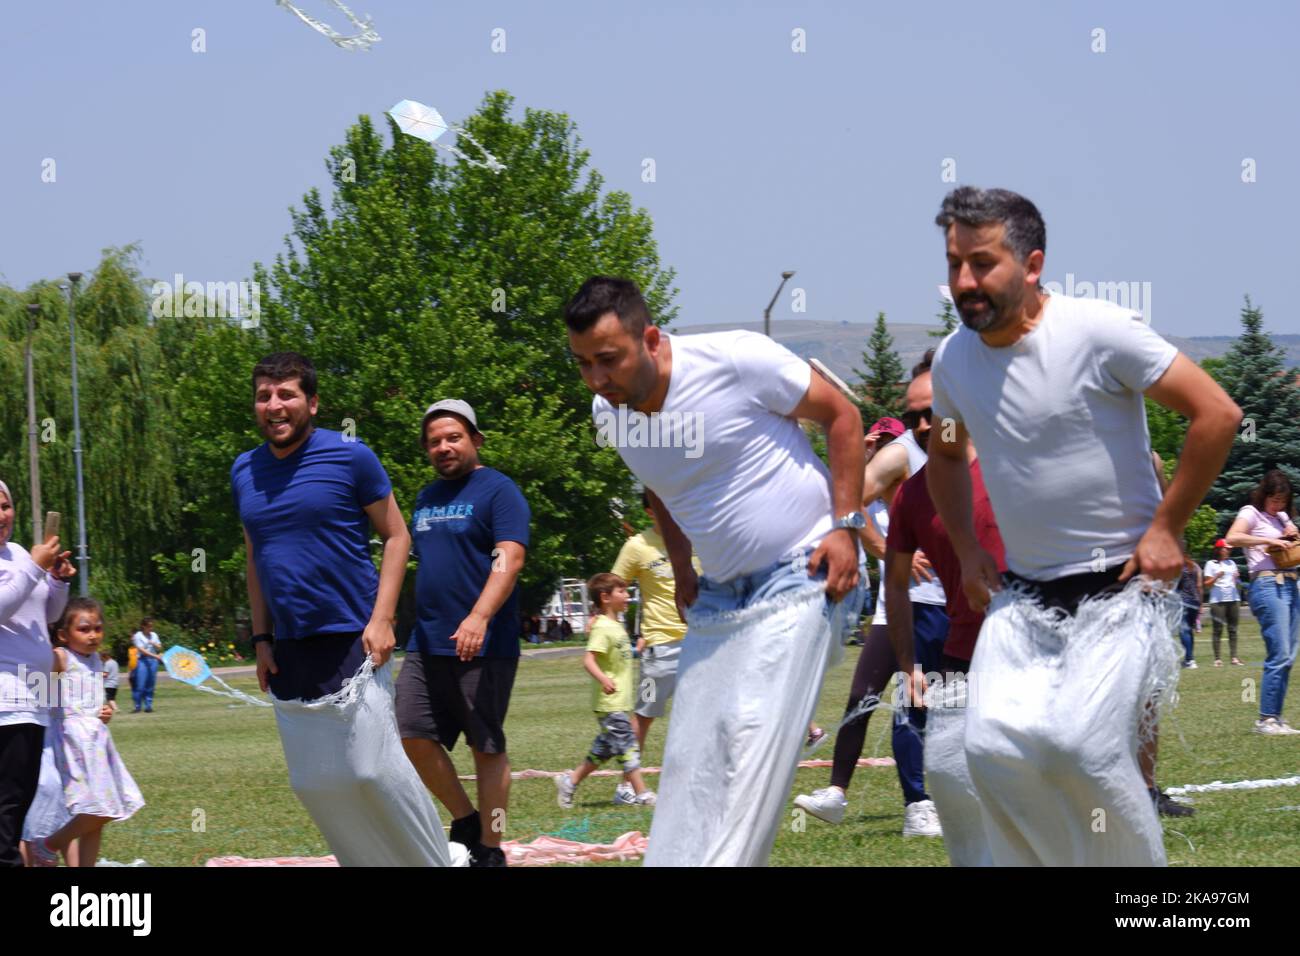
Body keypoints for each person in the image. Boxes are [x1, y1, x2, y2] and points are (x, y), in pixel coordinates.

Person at [926, 186, 1241, 866]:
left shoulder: (1098, 331)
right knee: (985, 751)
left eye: (981, 263)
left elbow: (1217, 413)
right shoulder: (954, 362)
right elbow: (946, 457)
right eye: (954, 264)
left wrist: (1167, 527)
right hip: (1022, 595)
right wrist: (967, 549)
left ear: (1032, 264)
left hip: (1121, 592)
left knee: (1084, 750)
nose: (963, 282)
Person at [566, 276, 865, 866]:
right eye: (583, 364)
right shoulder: (610, 411)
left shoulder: (735, 359)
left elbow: (843, 416)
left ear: (650, 339)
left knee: (751, 735)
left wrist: (846, 527)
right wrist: (681, 567)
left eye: (609, 360)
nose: (598, 379)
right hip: (722, 597)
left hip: (803, 571)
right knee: (691, 754)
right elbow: (661, 487)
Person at [233, 351, 456, 866]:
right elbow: (255, 558)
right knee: (315, 782)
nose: (274, 405)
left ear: (311, 401)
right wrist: (261, 640)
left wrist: (382, 618)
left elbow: (397, 536)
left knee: (371, 770)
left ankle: (437, 861)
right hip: (288, 646)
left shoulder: (351, 456)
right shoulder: (244, 470)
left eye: (286, 393)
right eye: (264, 395)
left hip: (354, 637)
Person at [396, 399, 530, 869]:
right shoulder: (425, 497)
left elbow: (509, 559)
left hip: (485, 644)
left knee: (485, 745)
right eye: (434, 441)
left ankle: (490, 849)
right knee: (409, 732)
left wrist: (479, 616)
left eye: (453, 437)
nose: (443, 447)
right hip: (426, 641)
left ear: (476, 439)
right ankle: (466, 819)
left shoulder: (499, 490)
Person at [794, 415, 939, 837]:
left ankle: (921, 804)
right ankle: (837, 794)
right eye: (884, 443)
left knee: (923, 704)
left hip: (932, 605)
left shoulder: (931, 477)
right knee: (862, 697)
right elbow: (844, 501)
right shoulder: (873, 497)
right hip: (890, 609)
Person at [29, 597, 143, 867]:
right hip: (72, 743)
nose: (93, 635)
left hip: (96, 743)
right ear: (62, 634)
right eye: (84, 629)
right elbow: (36, 686)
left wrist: (104, 713)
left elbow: (90, 701)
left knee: (100, 816)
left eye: (97, 628)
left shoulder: (95, 661)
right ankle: (48, 844)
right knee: (97, 809)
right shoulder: (60, 657)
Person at [0, 479, 74, 867]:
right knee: (6, 810)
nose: (1, 515)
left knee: (20, 802)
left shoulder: (16, 554)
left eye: (5, 506)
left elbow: (47, 615)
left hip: (33, 699)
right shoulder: (23, 560)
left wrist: (57, 580)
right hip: (4, 703)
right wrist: (33, 566)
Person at [610, 492, 700, 768]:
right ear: (651, 512)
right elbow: (613, 587)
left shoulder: (696, 537)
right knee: (645, 715)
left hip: (702, 643)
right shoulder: (637, 546)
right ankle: (628, 784)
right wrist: (610, 625)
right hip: (660, 647)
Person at [555, 573, 657, 809]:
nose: (627, 596)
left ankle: (569, 782)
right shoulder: (602, 628)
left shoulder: (615, 626)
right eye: (621, 592)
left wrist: (635, 650)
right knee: (628, 745)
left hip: (619, 701)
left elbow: (616, 656)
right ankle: (641, 793)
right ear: (605, 597)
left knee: (605, 749)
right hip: (608, 703)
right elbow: (589, 660)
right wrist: (603, 679)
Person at [1225, 469, 1300, 735]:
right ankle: (1266, 719)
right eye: (1274, 499)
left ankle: (1276, 718)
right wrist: (1268, 539)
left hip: (1291, 583)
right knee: (1279, 652)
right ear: (1264, 494)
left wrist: (1291, 530)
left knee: (1289, 655)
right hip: (1268, 584)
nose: (1277, 505)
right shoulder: (1250, 512)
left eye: (1282, 500)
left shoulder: (1281, 517)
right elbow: (1232, 538)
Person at [1203, 539, 1243, 666]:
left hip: (1233, 599)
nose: (1229, 550)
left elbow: (1237, 583)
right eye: (1226, 548)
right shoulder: (1210, 564)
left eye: (1230, 549)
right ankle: (1217, 659)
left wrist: (1236, 578)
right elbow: (1207, 585)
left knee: (1233, 629)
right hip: (1217, 600)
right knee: (1217, 629)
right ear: (1219, 549)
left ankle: (1234, 658)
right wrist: (1217, 576)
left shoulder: (1232, 563)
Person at [129, 618, 163, 713]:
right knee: (140, 685)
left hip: (153, 661)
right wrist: (156, 656)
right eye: (149, 626)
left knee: (150, 684)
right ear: (143, 626)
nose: (151, 628)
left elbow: (160, 646)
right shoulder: (138, 636)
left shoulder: (154, 635)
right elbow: (141, 650)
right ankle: (137, 706)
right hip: (142, 661)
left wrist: (153, 643)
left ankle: (148, 706)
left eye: (152, 626)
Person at [1176, 549, 1203, 668]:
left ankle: (1190, 659)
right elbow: (1199, 585)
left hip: (1183, 601)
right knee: (1188, 631)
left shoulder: (1178, 566)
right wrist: (1201, 603)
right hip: (1195, 601)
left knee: (1184, 631)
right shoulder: (1195, 566)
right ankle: (1189, 659)